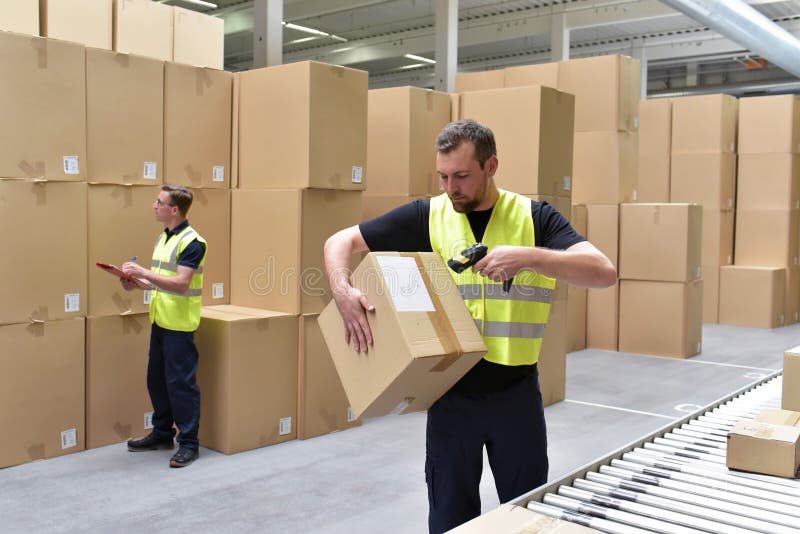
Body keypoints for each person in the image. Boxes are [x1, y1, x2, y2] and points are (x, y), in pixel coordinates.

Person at [323, 119, 616, 533]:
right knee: (449, 517)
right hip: (450, 397)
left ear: (490, 166)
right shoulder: (429, 215)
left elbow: (603, 272)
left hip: (516, 396)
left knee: (528, 515)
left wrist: (529, 257)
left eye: (461, 176)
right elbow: (339, 242)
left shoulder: (534, 218)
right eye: (442, 176)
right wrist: (342, 290)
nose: (450, 187)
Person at [121, 184, 207, 468]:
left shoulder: (193, 242)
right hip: (160, 320)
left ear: (174, 210)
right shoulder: (164, 237)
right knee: (156, 380)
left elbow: (181, 283)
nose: (154, 206)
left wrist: (143, 271)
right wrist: (136, 284)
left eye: (159, 202)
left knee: (181, 385)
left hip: (179, 325)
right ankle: (161, 434)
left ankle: (189, 444)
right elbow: (160, 281)